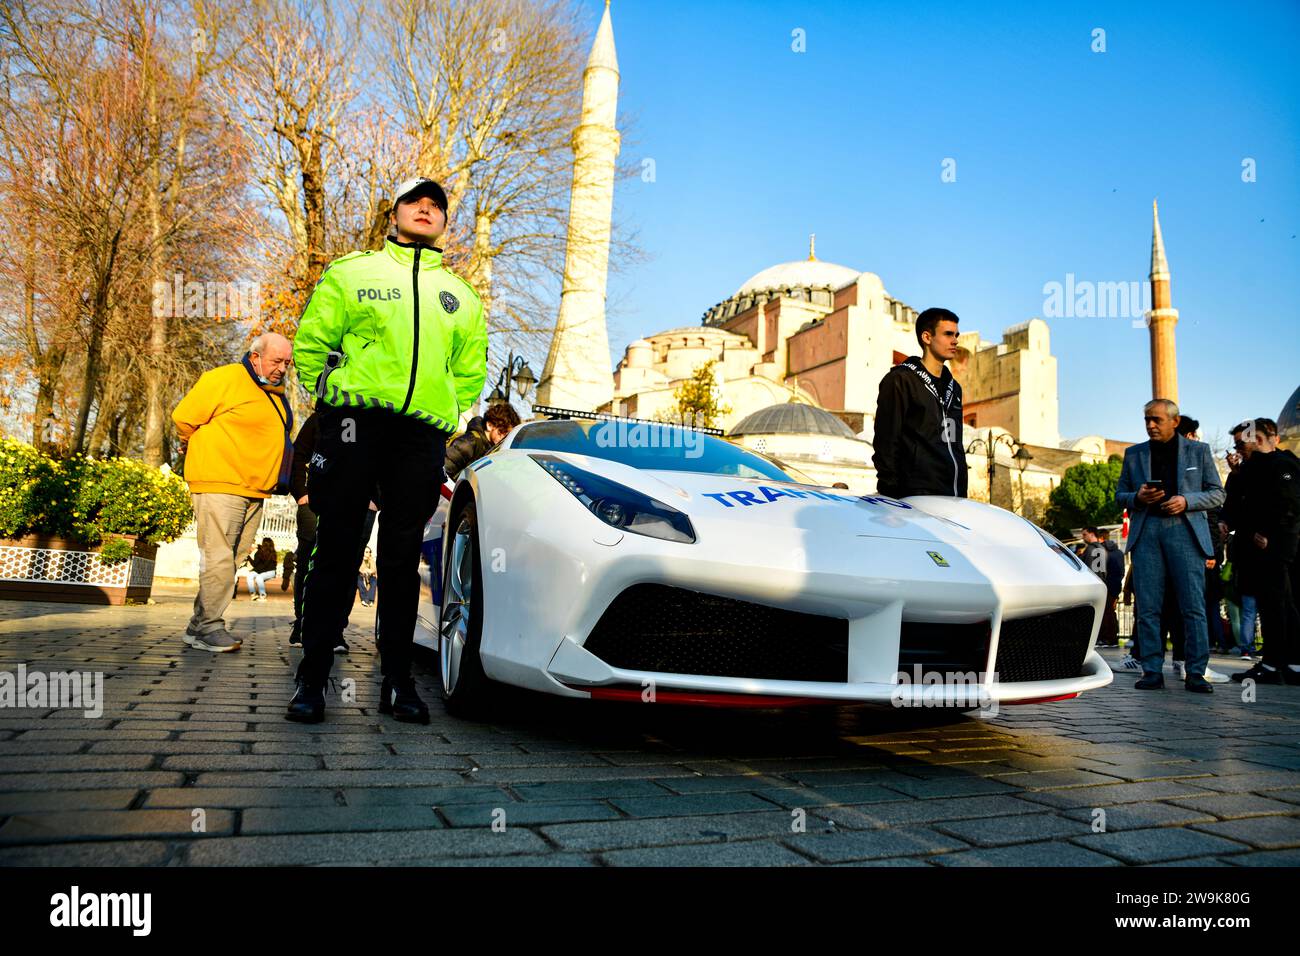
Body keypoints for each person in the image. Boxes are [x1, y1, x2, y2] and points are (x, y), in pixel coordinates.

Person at [287, 176, 487, 723]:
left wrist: (444, 414)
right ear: (394, 212)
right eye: (415, 201)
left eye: (437, 205)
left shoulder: (463, 298)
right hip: (355, 424)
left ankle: (398, 682)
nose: (426, 209)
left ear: (446, 223)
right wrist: (332, 402)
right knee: (338, 551)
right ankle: (312, 677)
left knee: (401, 562)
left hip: (418, 437)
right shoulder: (353, 272)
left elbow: (470, 373)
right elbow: (312, 344)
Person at [172, 332, 294, 653]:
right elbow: (184, 418)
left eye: (287, 363)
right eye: (276, 361)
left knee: (235, 557)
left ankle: (198, 625)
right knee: (219, 556)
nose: (282, 368)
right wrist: (194, 445)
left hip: (255, 488)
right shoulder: (224, 378)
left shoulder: (275, 392)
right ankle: (211, 627)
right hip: (219, 482)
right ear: (255, 357)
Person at [1114, 398, 1225, 692]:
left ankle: (1196, 672)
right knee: (1148, 607)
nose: (1151, 425)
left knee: (1193, 607)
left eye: (1157, 420)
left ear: (1174, 422)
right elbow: (1119, 495)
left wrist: (1187, 501)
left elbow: (1217, 494)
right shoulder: (1134, 454)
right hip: (1146, 531)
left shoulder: (1199, 451)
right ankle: (1151, 670)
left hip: (1185, 531)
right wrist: (1137, 498)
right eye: (1147, 419)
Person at [1225, 418, 1300, 685]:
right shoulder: (1247, 471)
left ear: (1257, 440)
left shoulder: (1285, 465)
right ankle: (1279, 663)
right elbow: (1235, 506)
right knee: (1272, 606)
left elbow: (1290, 504)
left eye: (1239, 444)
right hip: (1254, 553)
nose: (1237, 450)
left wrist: (1269, 534)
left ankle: (1281, 664)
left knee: (1281, 605)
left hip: (1278, 551)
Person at [872, 307, 968, 499]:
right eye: (948, 334)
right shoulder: (900, 380)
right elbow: (887, 440)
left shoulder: (954, 388)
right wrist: (891, 494)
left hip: (953, 496)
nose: (955, 340)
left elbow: (955, 443)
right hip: (914, 496)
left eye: (956, 334)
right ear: (927, 337)